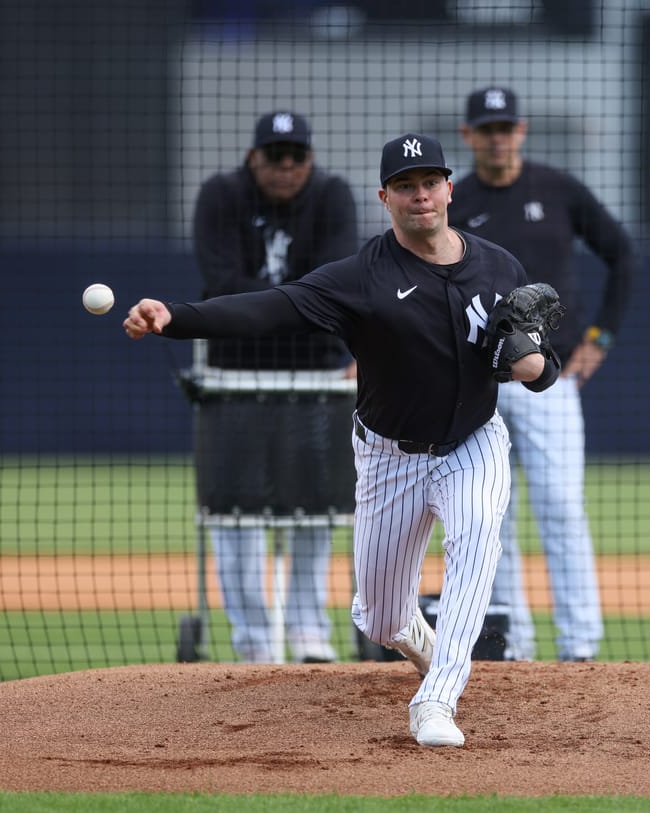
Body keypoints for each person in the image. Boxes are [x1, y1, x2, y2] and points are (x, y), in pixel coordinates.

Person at [125, 133, 559, 747]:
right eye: (405, 186)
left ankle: (436, 700)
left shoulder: (498, 266)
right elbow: (269, 309)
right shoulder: (361, 277)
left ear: (449, 189)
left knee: (476, 540)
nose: (420, 195)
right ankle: (425, 648)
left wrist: (531, 364)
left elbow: (544, 371)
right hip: (389, 457)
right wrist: (176, 318)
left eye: (429, 182)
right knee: (381, 617)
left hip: (473, 444)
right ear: (385, 198)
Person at [449, 85, 636, 662]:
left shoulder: (558, 189)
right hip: (480, 380)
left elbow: (622, 253)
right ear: (470, 136)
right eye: (487, 129)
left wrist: (600, 337)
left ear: (521, 131)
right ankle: (511, 642)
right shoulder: (457, 198)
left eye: (506, 127)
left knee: (561, 507)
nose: (498, 137)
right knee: (487, 513)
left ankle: (580, 645)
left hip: (550, 378)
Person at [190, 110, 359, 665]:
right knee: (235, 510)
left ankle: (310, 632)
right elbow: (219, 282)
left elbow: (333, 286)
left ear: (310, 160)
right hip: (234, 379)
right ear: (252, 157)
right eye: (275, 156)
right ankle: (254, 644)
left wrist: (260, 305)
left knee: (316, 504)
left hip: (317, 377)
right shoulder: (220, 195)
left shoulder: (333, 196)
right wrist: (296, 302)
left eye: (296, 157)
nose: (286, 167)